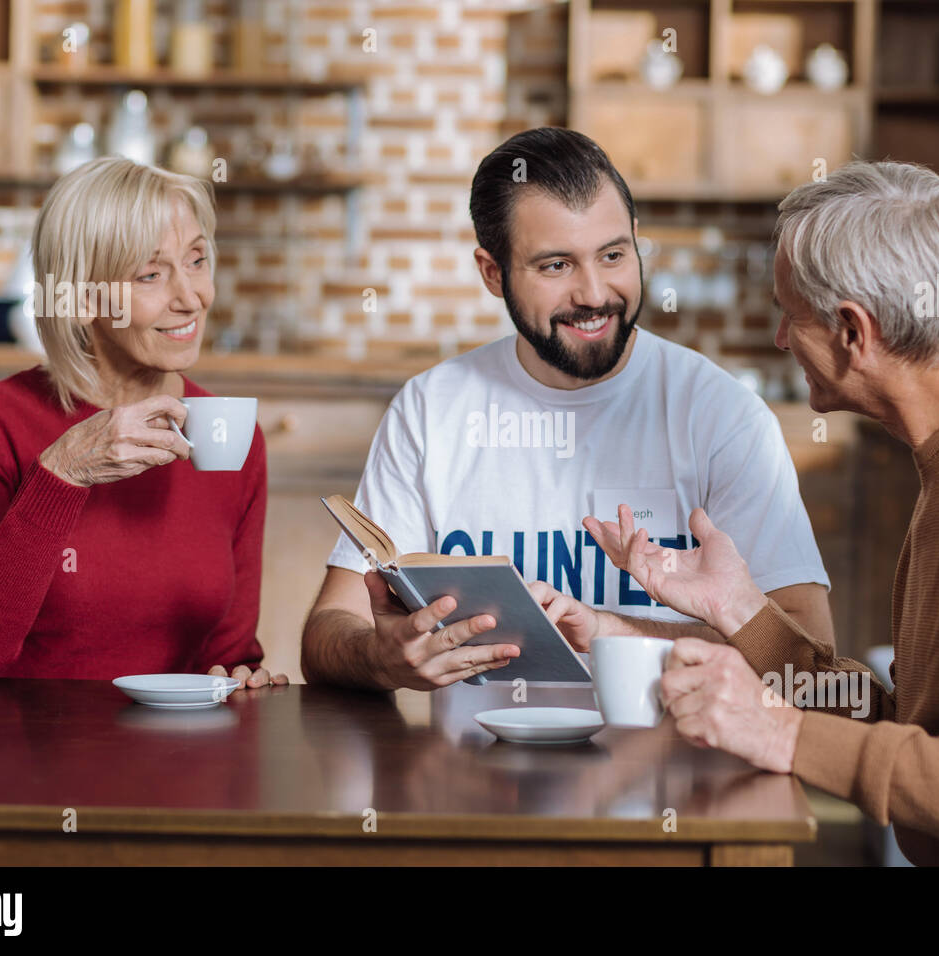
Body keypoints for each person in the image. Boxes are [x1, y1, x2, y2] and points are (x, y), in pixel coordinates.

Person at [584, 160, 939, 865]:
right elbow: (919, 735)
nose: (779, 339)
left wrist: (781, 733)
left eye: (789, 315)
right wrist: (741, 610)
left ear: (852, 331)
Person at [301, 127, 832, 690]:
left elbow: (809, 658)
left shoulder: (722, 415)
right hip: (474, 770)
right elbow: (327, 635)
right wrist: (379, 657)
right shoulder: (431, 410)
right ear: (492, 272)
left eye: (612, 255)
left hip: (679, 767)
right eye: (556, 266)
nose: (594, 293)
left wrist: (611, 632)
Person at [0, 157, 286, 689]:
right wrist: (61, 474)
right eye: (150, 274)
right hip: (20, 761)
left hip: (178, 762)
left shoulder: (230, 435)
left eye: (196, 260)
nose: (191, 298)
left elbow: (229, 654)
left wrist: (244, 681)